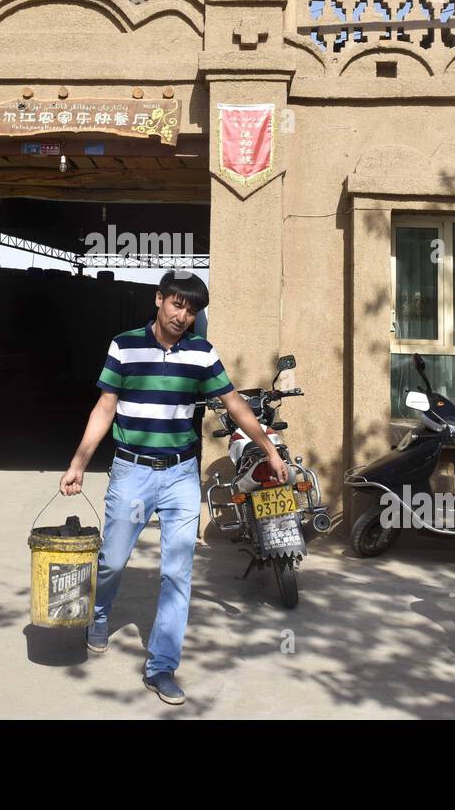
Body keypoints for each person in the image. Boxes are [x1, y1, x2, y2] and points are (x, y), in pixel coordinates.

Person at [58, 270, 287, 705]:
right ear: (159, 300)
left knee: (177, 572)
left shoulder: (201, 352)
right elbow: (105, 407)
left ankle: (162, 666)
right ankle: (99, 614)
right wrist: (79, 463)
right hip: (132, 471)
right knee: (111, 560)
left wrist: (268, 449)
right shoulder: (124, 345)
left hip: (182, 474)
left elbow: (233, 402)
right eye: (177, 304)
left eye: (192, 309)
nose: (183, 315)